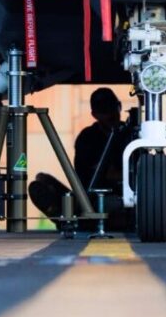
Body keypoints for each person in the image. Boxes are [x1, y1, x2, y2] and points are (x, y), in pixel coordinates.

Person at [29, 88, 135, 231]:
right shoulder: (87, 138)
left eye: (112, 107)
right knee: (41, 182)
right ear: (95, 114)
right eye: (104, 110)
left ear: (119, 107)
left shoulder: (133, 135)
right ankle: (71, 219)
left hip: (125, 198)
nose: (110, 114)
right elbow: (83, 177)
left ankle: (85, 222)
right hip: (90, 199)